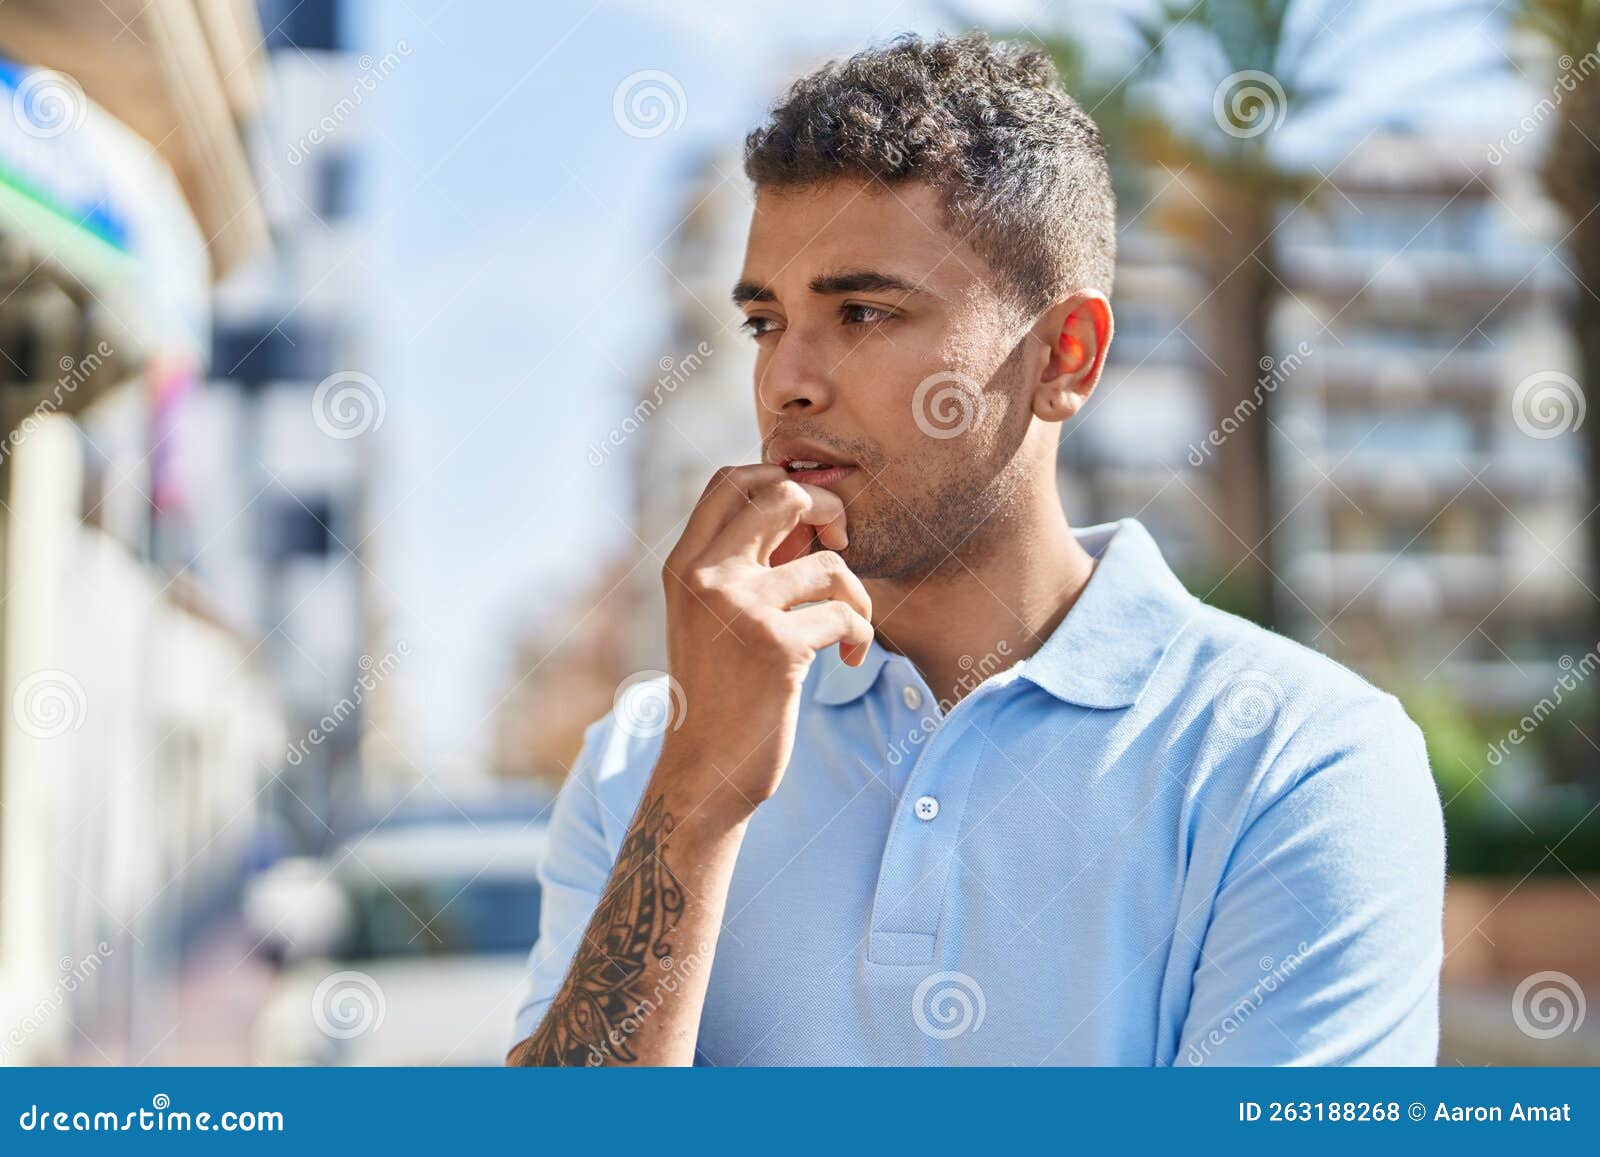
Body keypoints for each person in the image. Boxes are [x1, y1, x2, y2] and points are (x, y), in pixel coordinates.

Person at [507, 32, 1444, 1067]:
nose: (787, 383)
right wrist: (695, 795)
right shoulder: (644, 758)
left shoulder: (1295, 761)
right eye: (766, 322)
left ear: (1063, 357)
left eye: (862, 312)